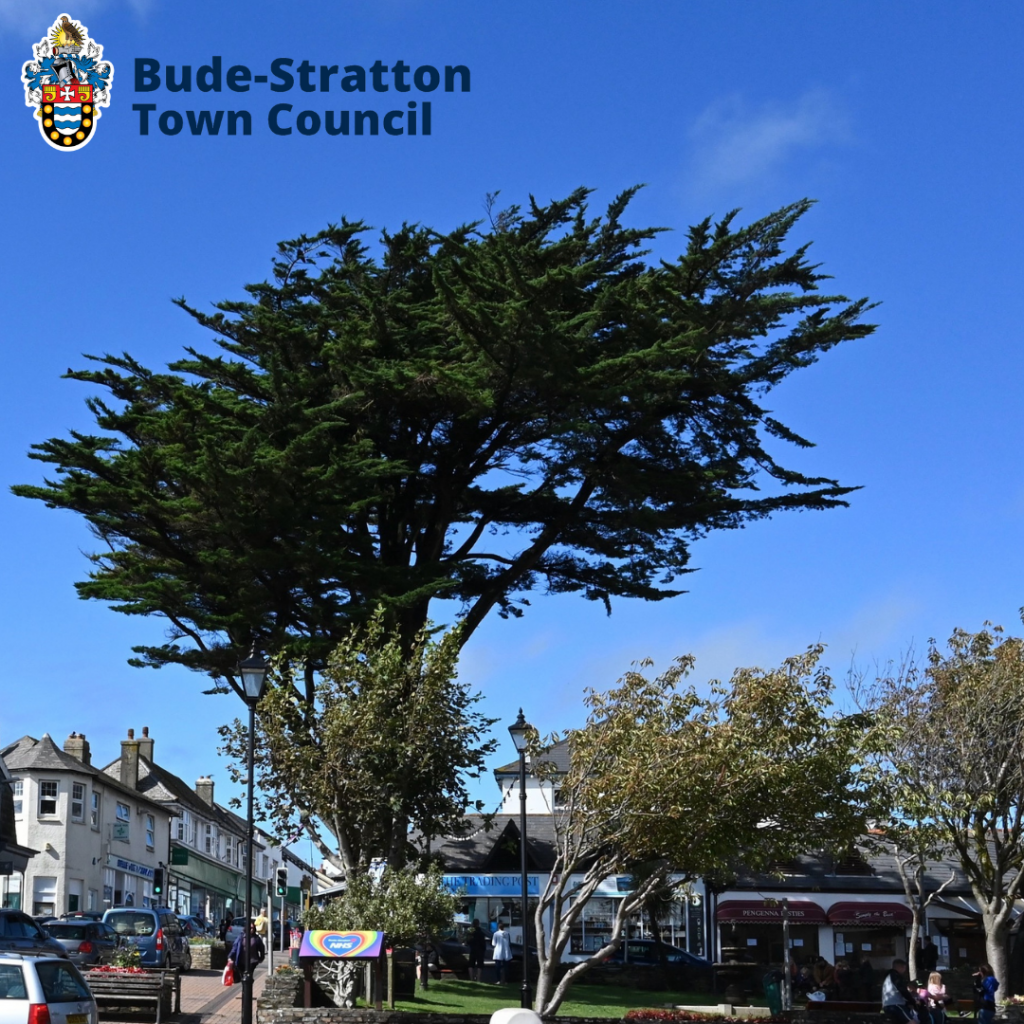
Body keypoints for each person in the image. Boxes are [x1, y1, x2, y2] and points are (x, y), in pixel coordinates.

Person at [882, 958, 918, 1024]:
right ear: (901, 967)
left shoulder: (889, 976)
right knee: (912, 1022)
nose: (904, 970)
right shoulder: (895, 976)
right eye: (904, 968)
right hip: (895, 1005)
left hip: (888, 1005)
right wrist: (912, 1001)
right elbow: (902, 990)